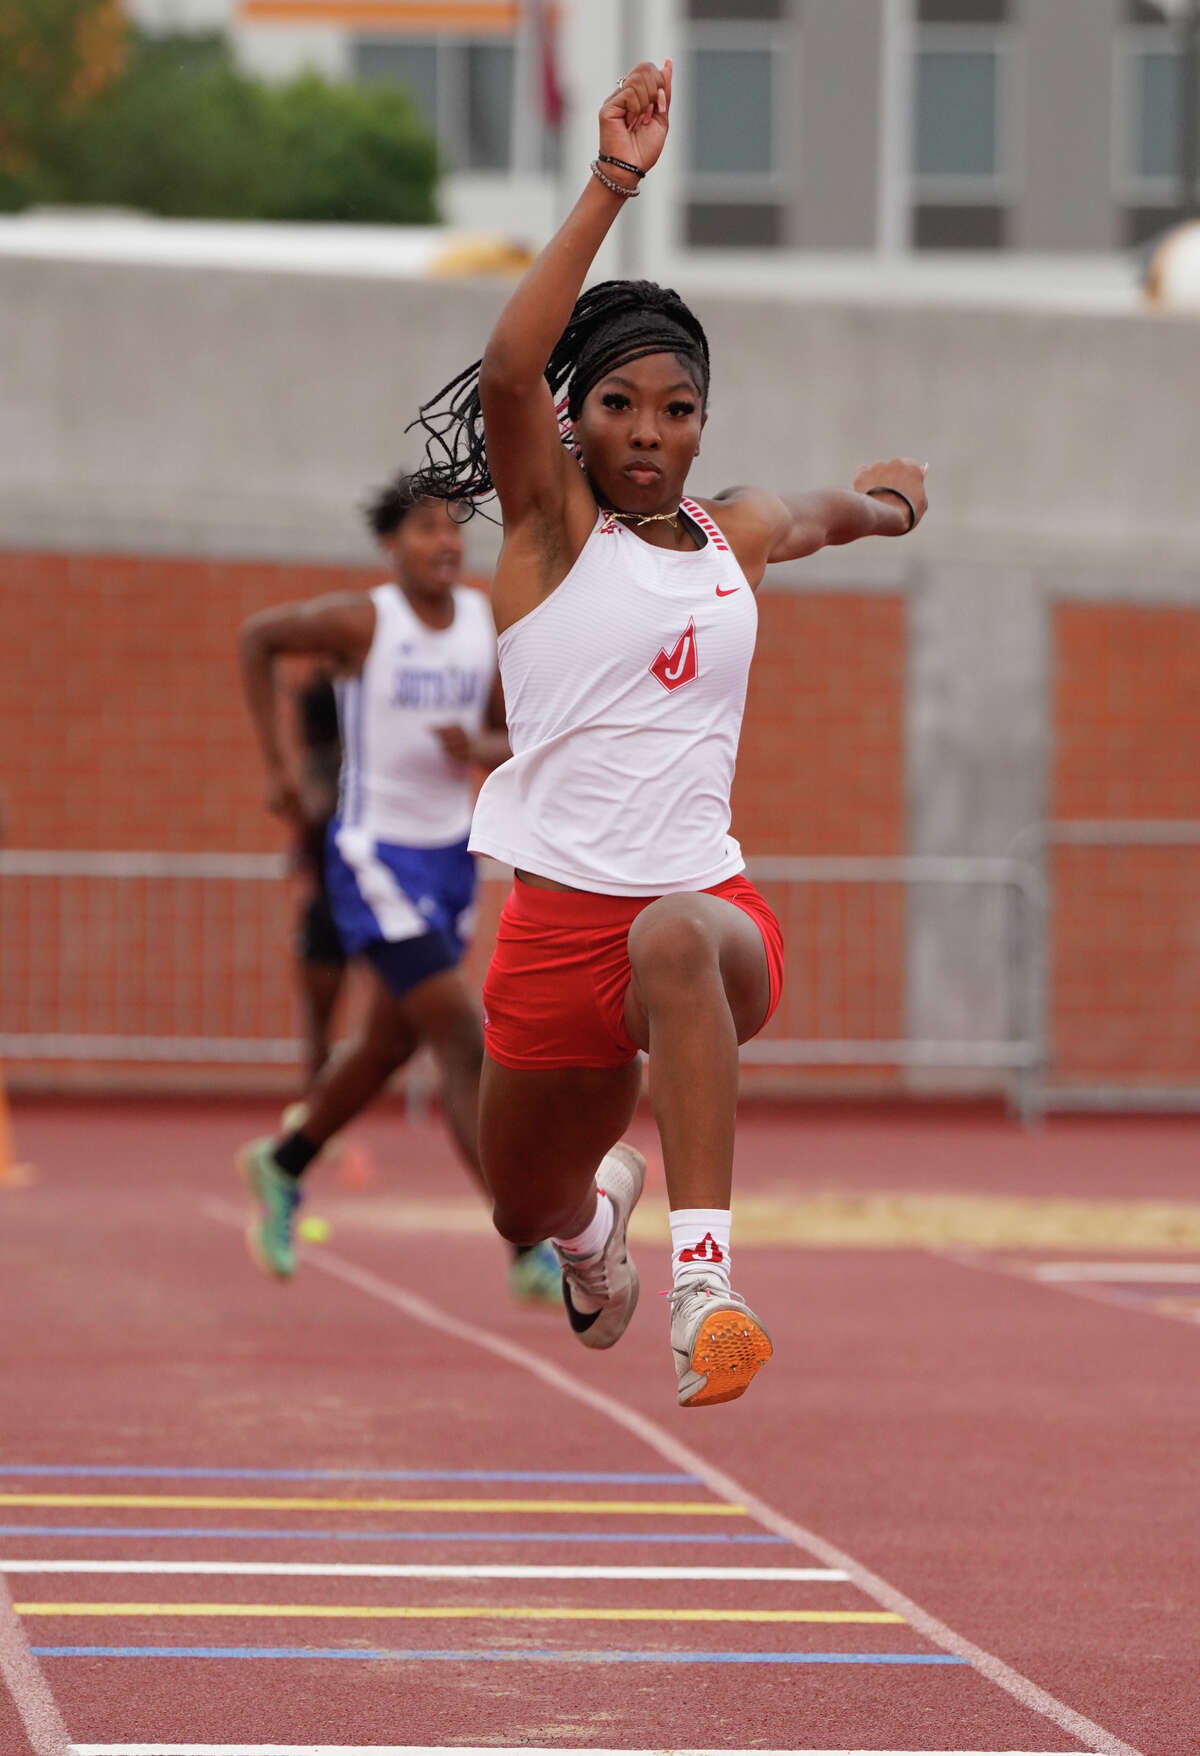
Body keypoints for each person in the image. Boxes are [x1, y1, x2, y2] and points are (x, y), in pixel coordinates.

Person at [408, 60, 929, 1408]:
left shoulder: (729, 536)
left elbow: (820, 514)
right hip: (553, 928)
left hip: (707, 916)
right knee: (523, 1207)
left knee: (674, 933)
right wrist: (613, 183)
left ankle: (707, 1285)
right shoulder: (547, 533)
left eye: (678, 410)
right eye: (623, 406)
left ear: (704, 426)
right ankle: (601, 1232)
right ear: (578, 423)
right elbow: (513, 361)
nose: (650, 432)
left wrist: (889, 505)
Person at [237, 472, 561, 1307]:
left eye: (456, 526)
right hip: (373, 854)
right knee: (462, 1032)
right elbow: (258, 638)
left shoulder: (485, 624)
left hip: (450, 856)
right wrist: (278, 769)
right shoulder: (363, 621)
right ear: (393, 543)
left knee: (387, 1046)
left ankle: (285, 1161)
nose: (445, 541)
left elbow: (509, 731)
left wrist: (477, 744)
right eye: (425, 528)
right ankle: (527, 1240)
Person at [289, 666, 348, 1096]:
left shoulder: (327, 767)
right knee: (320, 1026)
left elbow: (316, 811)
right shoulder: (352, 761)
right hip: (342, 903)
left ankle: (317, 1108)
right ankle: (316, 1110)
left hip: (339, 905)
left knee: (320, 1027)